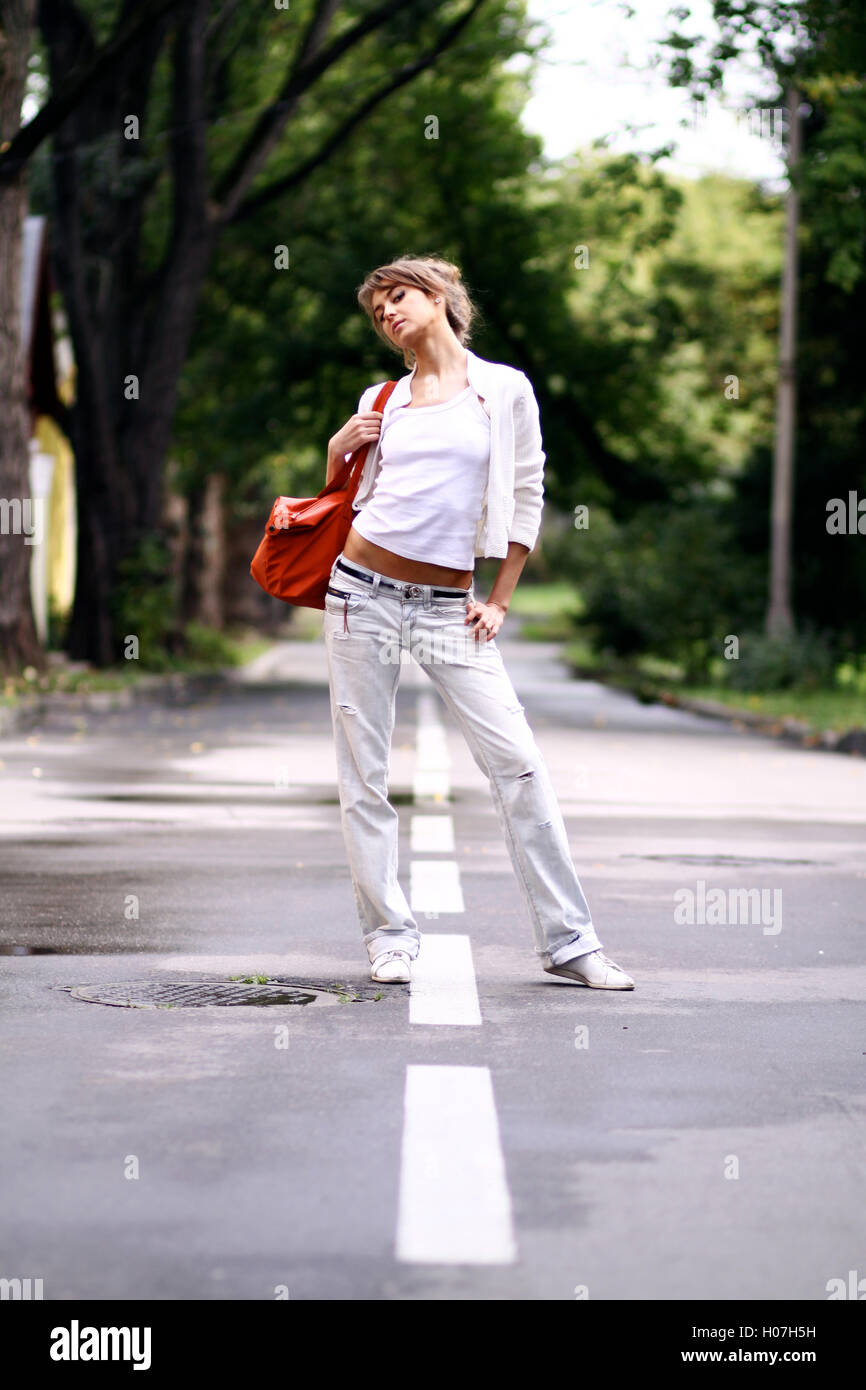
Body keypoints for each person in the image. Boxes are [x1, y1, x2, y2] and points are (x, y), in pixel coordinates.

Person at [280, 255, 634, 990]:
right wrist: (334, 451)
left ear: (438, 295)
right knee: (364, 776)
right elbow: (351, 494)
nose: (388, 314)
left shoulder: (502, 389)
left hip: (449, 607)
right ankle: (389, 937)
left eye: (397, 297)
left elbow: (527, 493)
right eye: (377, 310)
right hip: (359, 595)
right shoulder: (382, 398)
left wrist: (500, 597)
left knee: (520, 765)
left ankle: (570, 942)